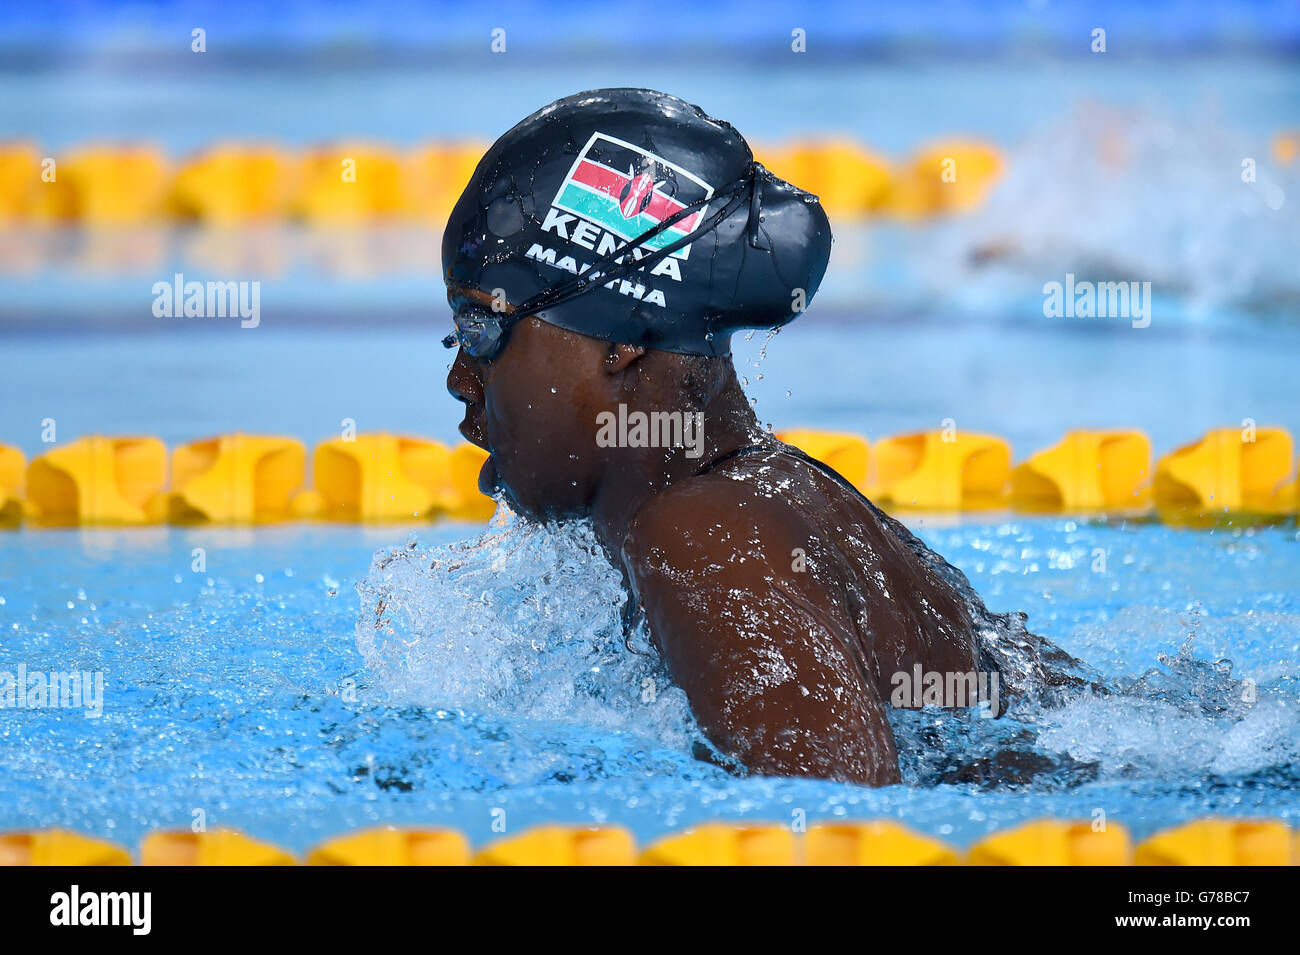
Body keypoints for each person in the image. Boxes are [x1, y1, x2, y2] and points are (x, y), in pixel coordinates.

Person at [443, 88, 1060, 786]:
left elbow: (838, 830)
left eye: (480, 330)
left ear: (620, 337)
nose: (460, 378)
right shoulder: (762, 498)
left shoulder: (700, 535)